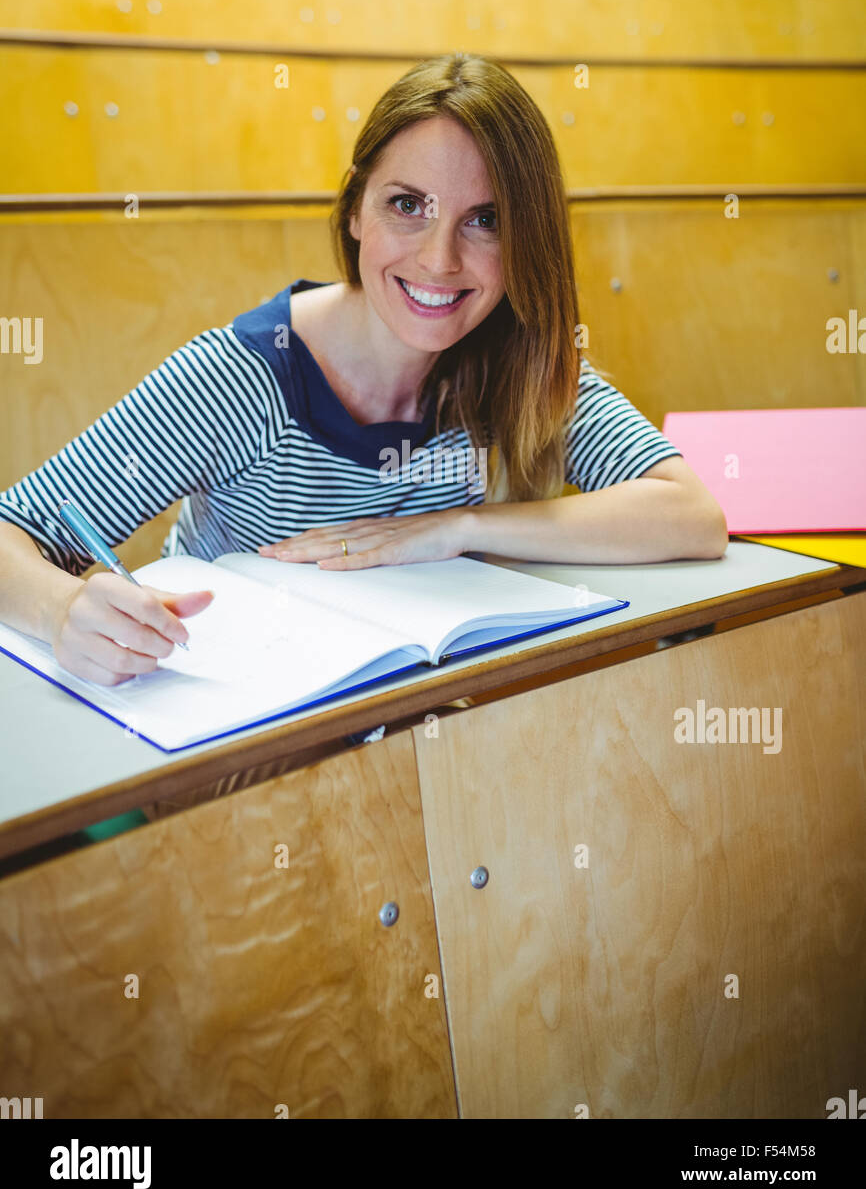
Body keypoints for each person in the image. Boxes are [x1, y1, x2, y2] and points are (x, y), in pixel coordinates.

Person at [0, 53, 726, 809]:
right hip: (245, 757)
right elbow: (8, 530)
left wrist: (454, 527)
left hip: (417, 744)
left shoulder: (513, 360)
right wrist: (60, 611)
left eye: (486, 221)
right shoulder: (242, 377)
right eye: (406, 204)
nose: (439, 260)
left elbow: (691, 514)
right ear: (354, 210)